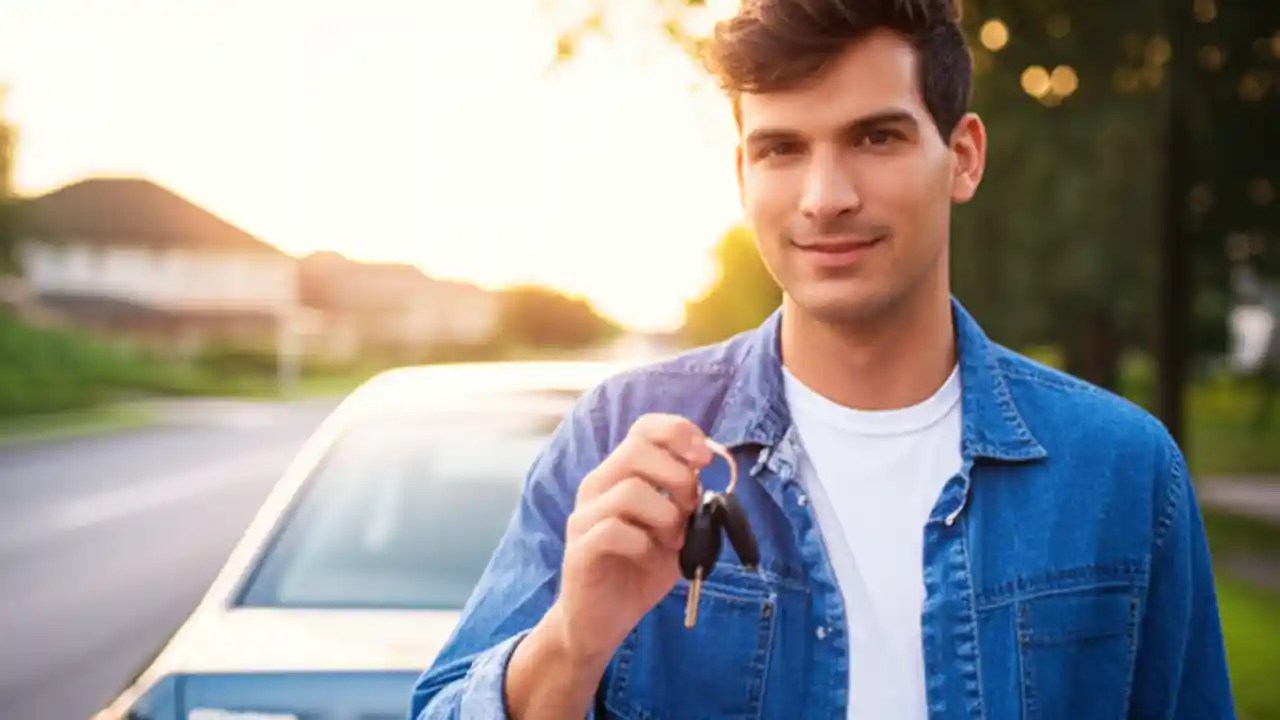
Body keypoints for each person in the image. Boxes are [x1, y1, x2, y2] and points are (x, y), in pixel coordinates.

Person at [410, 0, 1235, 717]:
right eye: (781, 149)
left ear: (965, 157)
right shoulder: (613, 440)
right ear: (742, 174)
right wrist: (572, 642)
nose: (825, 197)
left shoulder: (1122, 473)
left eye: (874, 137)